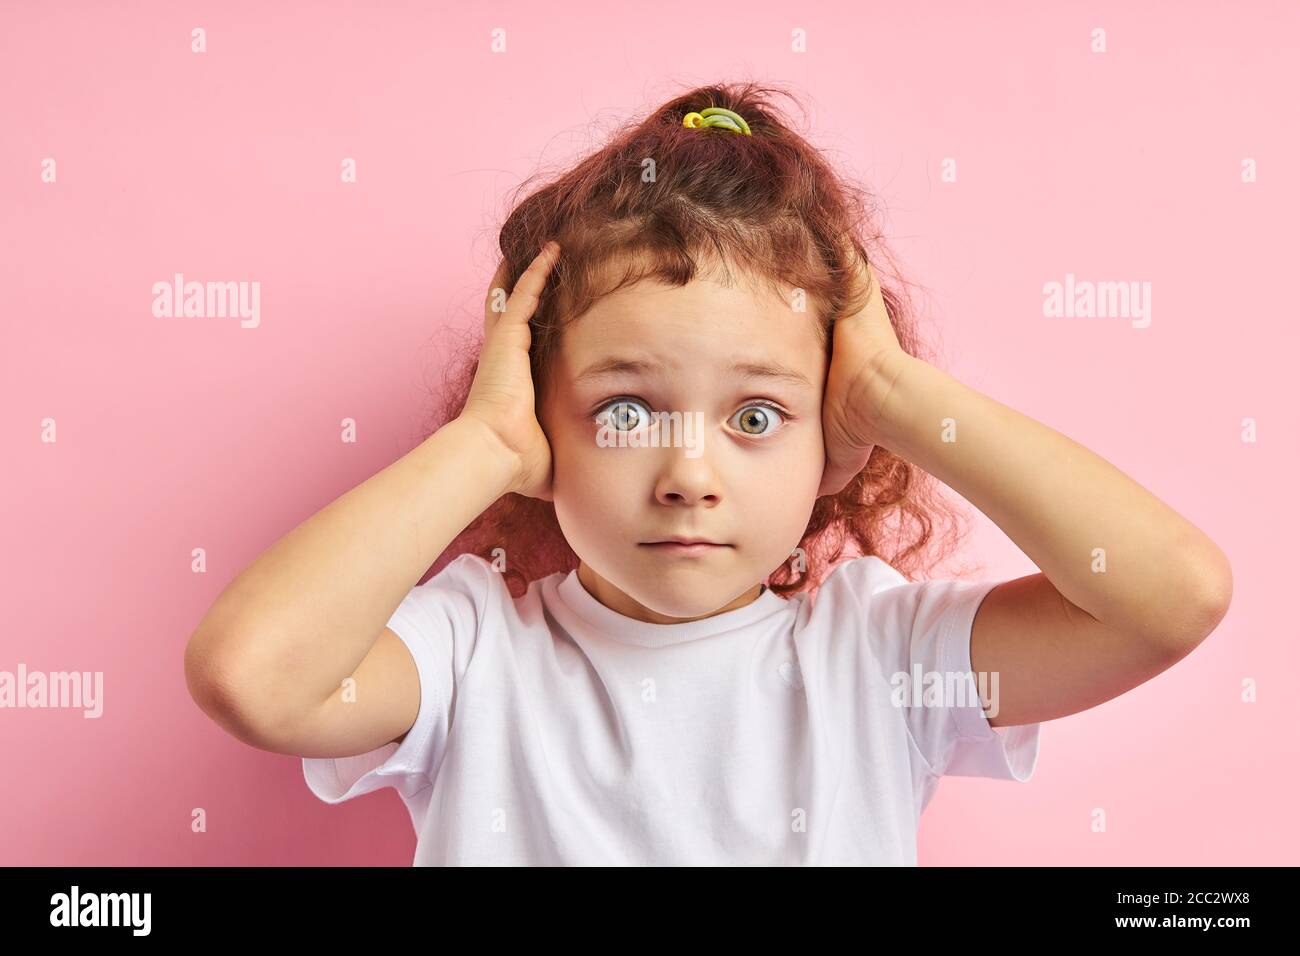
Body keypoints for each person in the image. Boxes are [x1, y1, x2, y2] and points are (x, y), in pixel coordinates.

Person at [184, 83, 1232, 865]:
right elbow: (250, 675)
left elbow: (1169, 595)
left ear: (835, 436)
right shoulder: (468, 651)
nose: (689, 472)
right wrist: (484, 442)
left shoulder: (880, 655)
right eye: (624, 409)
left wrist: (898, 397)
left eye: (759, 414)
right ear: (542, 428)